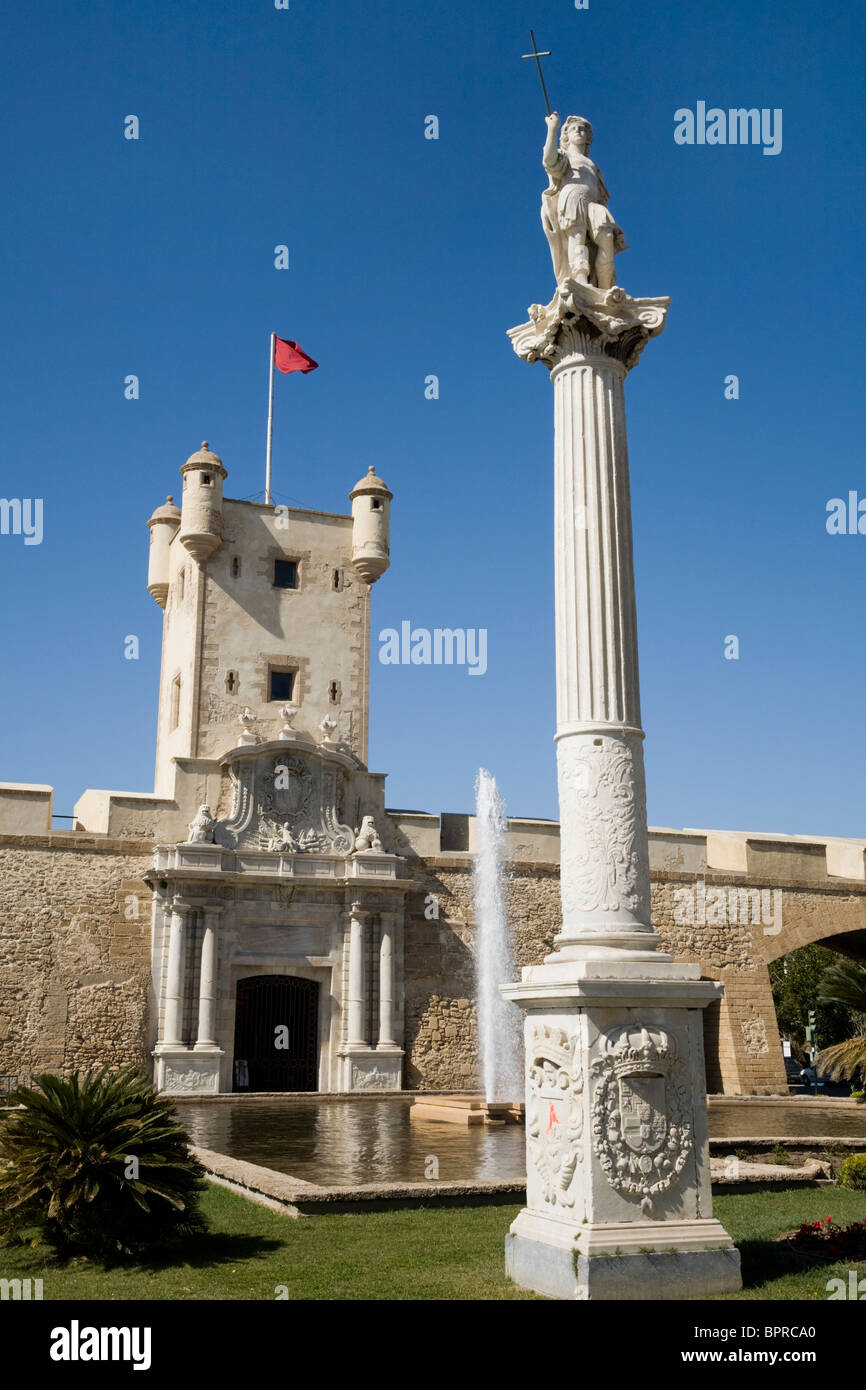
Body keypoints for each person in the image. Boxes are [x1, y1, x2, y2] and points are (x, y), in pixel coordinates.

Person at [541, 113, 627, 292]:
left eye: (582, 130)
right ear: (567, 136)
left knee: (606, 238)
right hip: (573, 197)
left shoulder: (592, 164)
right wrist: (552, 129)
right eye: (574, 129)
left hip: (594, 204)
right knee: (577, 237)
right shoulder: (565, 156)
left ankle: (604, 286)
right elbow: (549, 160)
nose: (579, 132)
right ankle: (580, 279)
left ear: (588, 138)